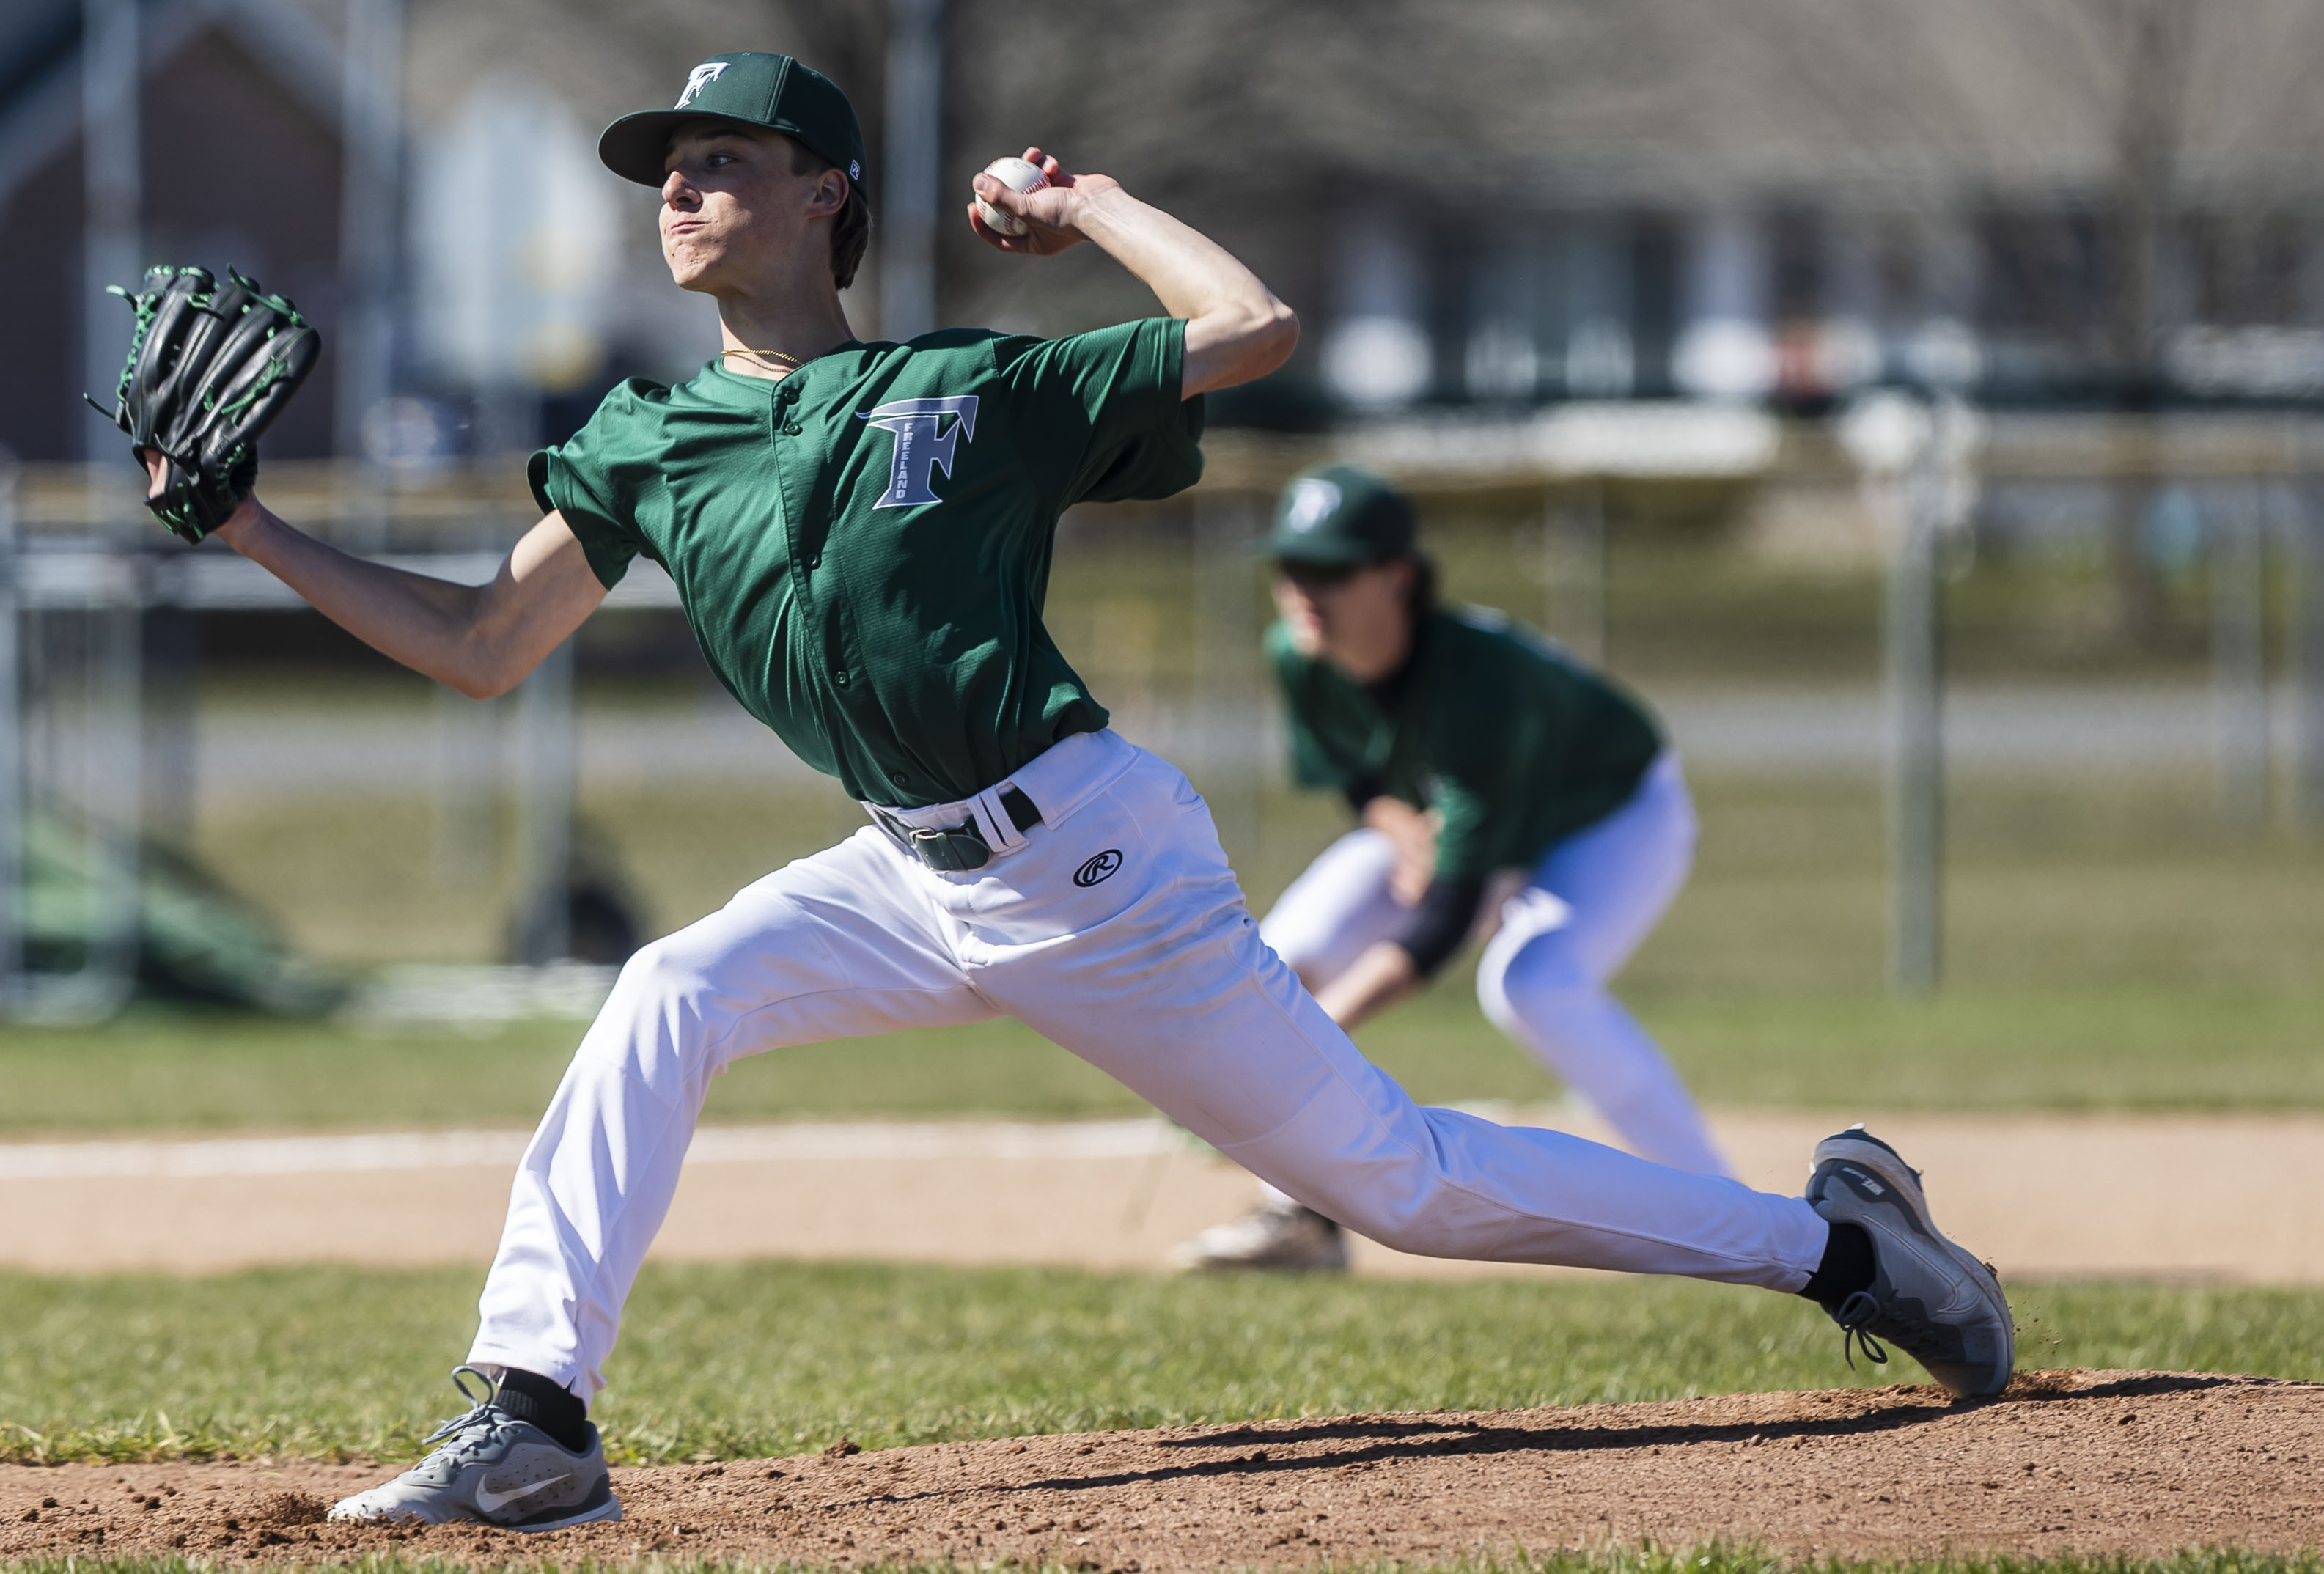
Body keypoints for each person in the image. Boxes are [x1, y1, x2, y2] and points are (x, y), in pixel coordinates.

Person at [158, 52, 2012, 1533]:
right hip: (904, 869)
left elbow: (1253, 325)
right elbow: (484, 642)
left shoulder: (967, 389)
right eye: (671, 162)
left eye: (726, 157)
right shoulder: (652, 438)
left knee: (1406, 1185)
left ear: (830, 200)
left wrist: (1089, 202)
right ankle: (535, 1418)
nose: (683, 187)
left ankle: (1846, 1243)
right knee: (668, 988)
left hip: (1097, 865)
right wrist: (248, 522)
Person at [1174, 466, 1728, 1273]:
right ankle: (1298, 1219)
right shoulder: (1300, 651)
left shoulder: (1482, 681)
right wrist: (1397, 821)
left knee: (1534, 985)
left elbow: (1445, 919)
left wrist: (1308, 1042)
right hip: (1472, 814)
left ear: (1397, 575)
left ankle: (1721, 1210)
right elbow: (1360, 775)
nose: (1302, 589)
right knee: (1283, 956)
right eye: (1291, 566)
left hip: (1609, 812)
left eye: (1330, 567)